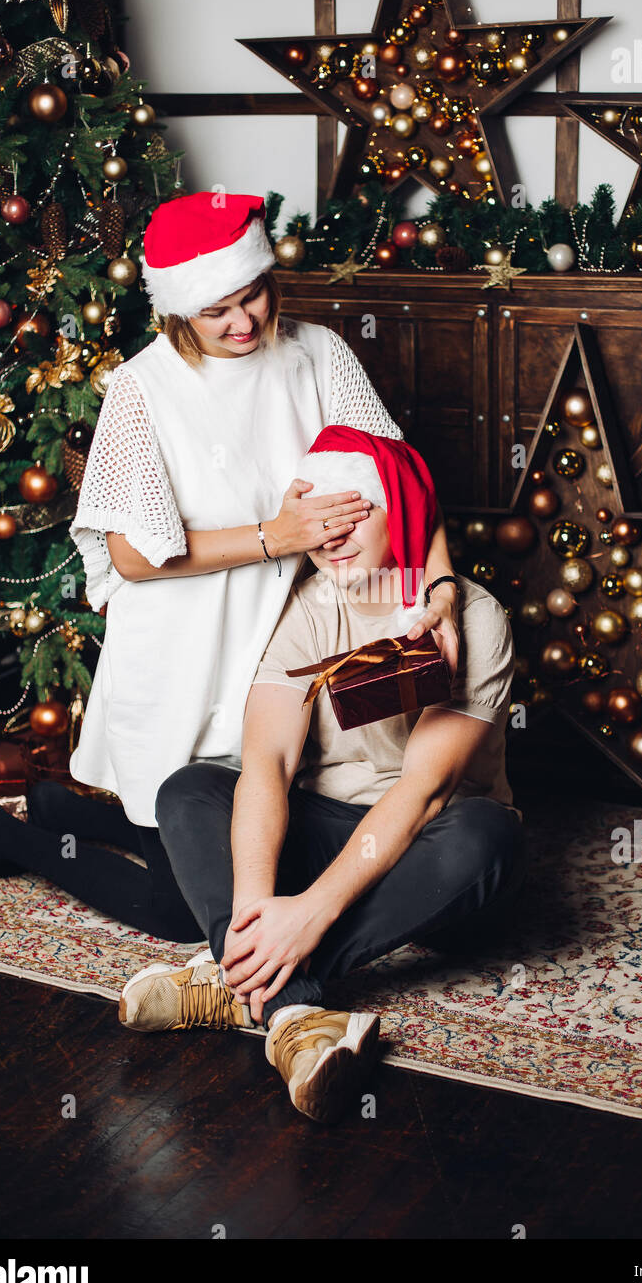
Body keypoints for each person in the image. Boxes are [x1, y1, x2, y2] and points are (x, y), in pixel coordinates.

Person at [0, 193, 460, 932]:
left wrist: (437, 589)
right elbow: (132, 557)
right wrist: (275, 537)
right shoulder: (142, 389)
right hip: (187, 646)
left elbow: (404, 489)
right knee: (186, 908)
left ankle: (61, 811)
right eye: (217, 310)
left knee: (263, 845)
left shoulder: (319, 355)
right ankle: (4, 833)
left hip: (291, 640)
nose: (243, 322)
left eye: (252, 297)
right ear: (181, 309)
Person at [120, 427, 524, 1124]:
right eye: (322, 519)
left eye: (357, 514)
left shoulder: (475, 621)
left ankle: (231, 983)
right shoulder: (307, 608)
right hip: (329, 828)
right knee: (189, 790)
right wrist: (254, 916)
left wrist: (310, 913)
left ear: (399, 511)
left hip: (425, 862)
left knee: (487, 834)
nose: (333, 537)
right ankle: (285, 1003)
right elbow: (268, 763)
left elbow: (422, 792)